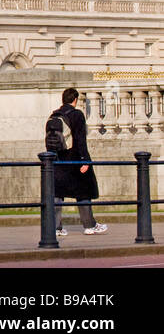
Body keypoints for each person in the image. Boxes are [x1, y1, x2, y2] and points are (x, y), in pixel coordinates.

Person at [48, 87, 107, 236]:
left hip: (58, 158)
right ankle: (89, 225)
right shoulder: (77, 115)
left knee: (58, 193)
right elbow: (81, 140)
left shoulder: (54, 115)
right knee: (83, 191)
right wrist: (85, 160)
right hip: (74, 158)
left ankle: (56, 227)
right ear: (75, 100)